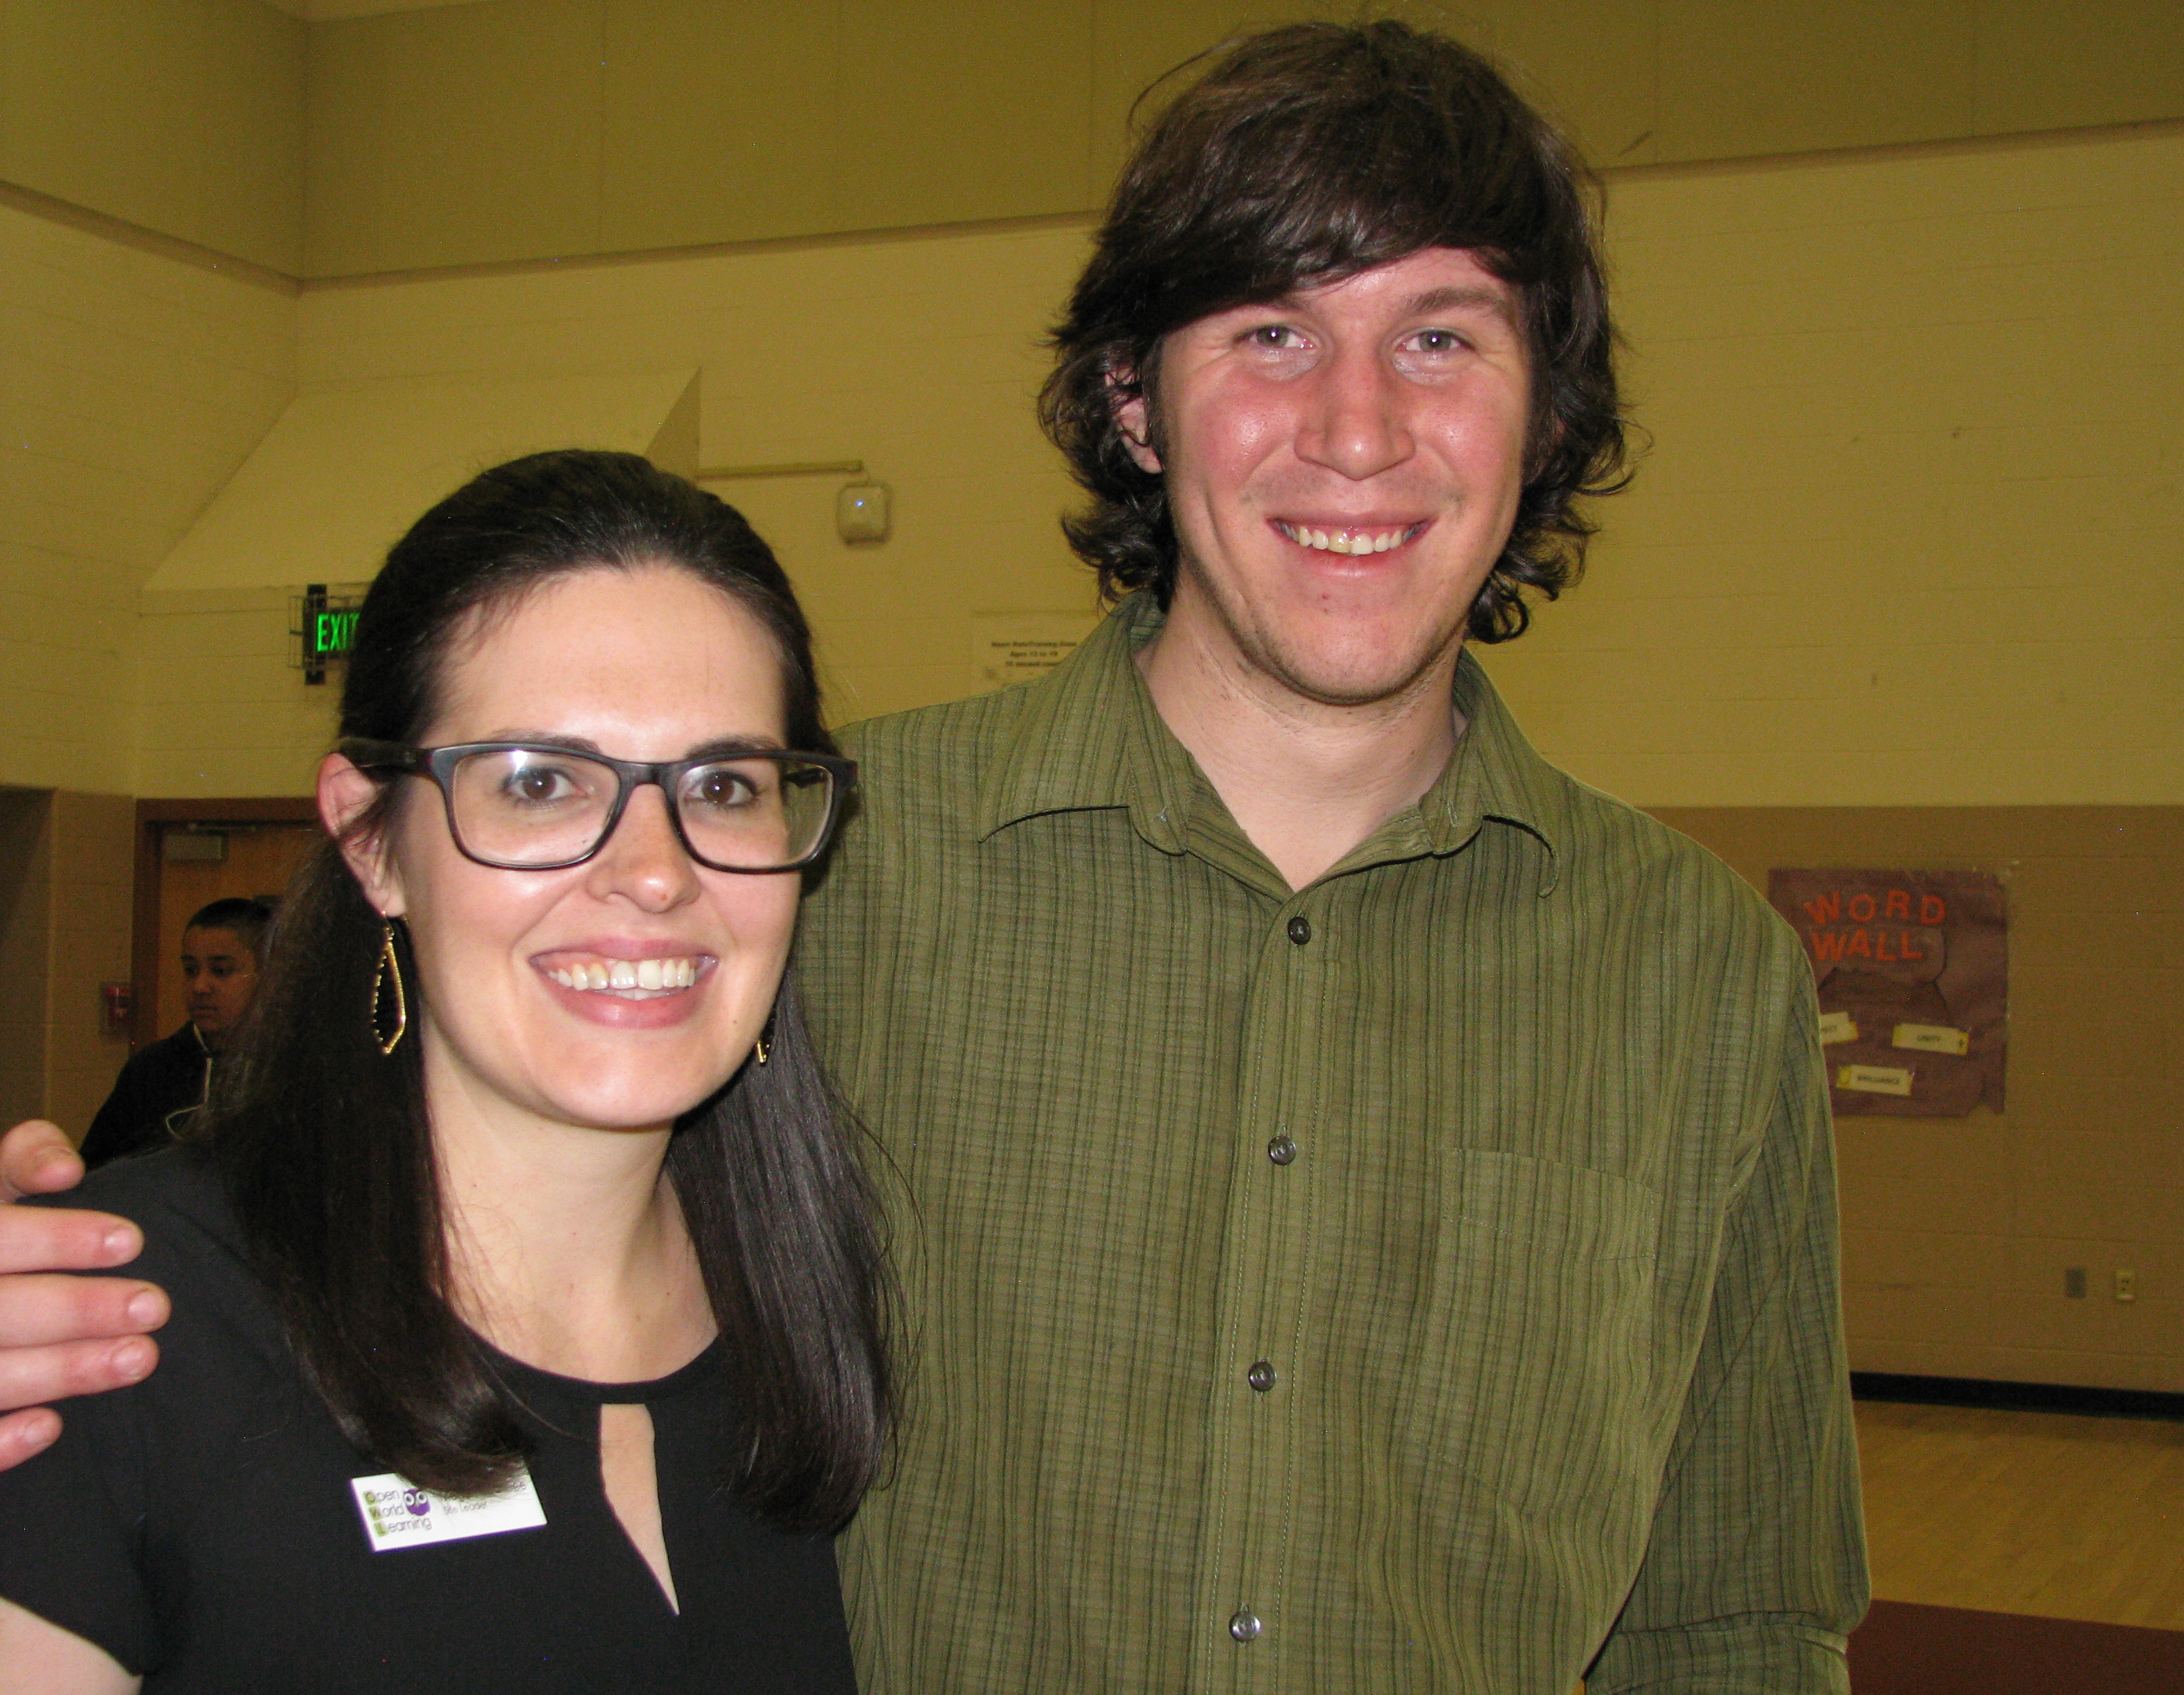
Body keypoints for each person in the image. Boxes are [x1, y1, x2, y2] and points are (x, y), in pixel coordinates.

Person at [0, 21, 1864, 1693]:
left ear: (1545, 411)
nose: (1357, 430)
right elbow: (434, 1162)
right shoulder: (806, 880)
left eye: (1443, 338)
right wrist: (65, 1271)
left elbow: (1740, 1622)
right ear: (1137, 401)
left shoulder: (1698, 979)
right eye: (1273, 333)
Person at [0, 451, 889, 1691]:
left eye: (724, 784)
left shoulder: (819, 1320)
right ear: (372, 839)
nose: (653, 870)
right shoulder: (115, 1326)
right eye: (538, 782)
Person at [80, 897, 274, 1169]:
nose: (200, 986)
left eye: (221, 971)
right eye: (191, 970)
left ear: (269, 975)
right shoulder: (151, 1071)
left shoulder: (294, 1067)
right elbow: (98, 1173)